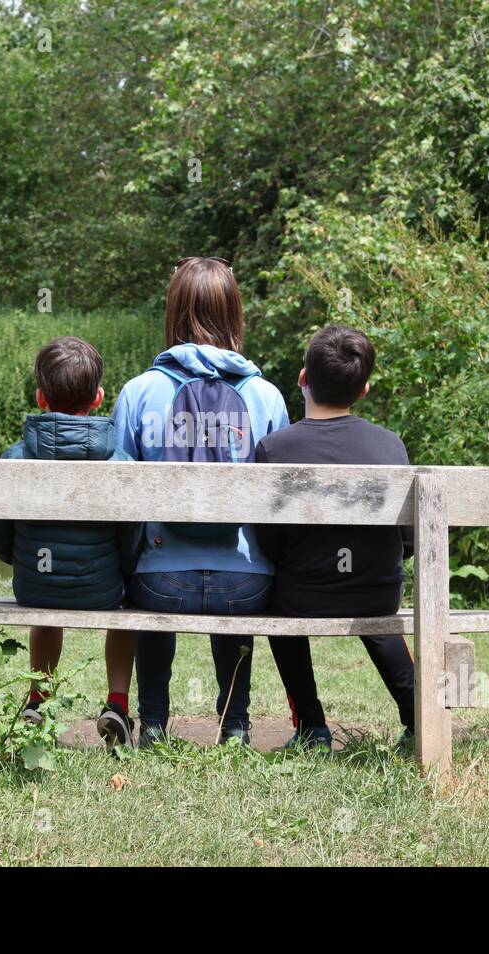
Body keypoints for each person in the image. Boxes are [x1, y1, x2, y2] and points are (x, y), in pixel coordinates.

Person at [111, 257, 289, 747]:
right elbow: (281, 501)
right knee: (235, 578)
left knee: (148, 574)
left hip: (159, 584)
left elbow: (117, 502)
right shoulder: (266, 396)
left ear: (172, 311)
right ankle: (234, 728)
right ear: (234, 313)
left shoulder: (138, 392)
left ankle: (151, 726)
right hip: (246, 586)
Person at [254, 325, 417, 750]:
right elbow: (408, 540)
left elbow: (267, 542)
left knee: (279, 614)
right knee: (379, 619)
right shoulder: (390, 446)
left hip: (301, 595)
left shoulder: (274, 448)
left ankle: (311, 726)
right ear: (363, 389)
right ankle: (419, 716)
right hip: (377, 592)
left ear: (303, 378)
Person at [0, 336, 143, 749]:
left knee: (46, 605)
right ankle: (117, 703)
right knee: (127, 602)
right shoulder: (121, 465)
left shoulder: (15, 459)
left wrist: (24, 561)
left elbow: (0, 540)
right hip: (103, 589)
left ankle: (39, 697)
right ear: (98, 397)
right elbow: (131, 543)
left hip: (34, 586)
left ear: (40, 397)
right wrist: (118, 569)